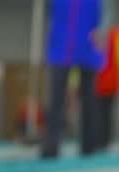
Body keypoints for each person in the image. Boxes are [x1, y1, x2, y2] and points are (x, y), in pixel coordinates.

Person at [41, 0, 112, 160]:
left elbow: (108, 13)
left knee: (89, 100)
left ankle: (89, 145)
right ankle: (51, 145)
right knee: (56, 99)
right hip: (61, 45)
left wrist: (102, 31)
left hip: (89, 44)